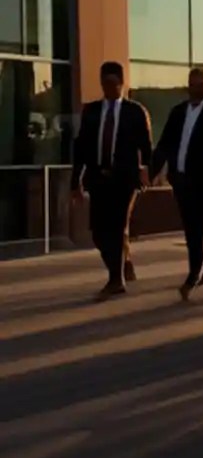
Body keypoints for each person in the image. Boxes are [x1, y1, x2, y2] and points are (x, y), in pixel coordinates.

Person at [71, 62, 153, 300]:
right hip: (98, 178)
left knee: (117, 228)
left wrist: (148, 171)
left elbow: (146, 146)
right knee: (98, 232)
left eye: (113, 83)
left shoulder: (134, 112)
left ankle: (116, 280)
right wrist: (75, 181)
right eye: (104, 83)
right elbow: (81, 147)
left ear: (121, 83)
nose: (108, 88)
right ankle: (122, 264)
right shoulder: (92, 111)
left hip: (124, 180)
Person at [148, 68, 203, 301]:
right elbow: (164, 144)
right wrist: (151, 172)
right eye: (194, 84)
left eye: (202, 84)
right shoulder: (178, 112)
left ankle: (194, 274)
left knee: (196, 230)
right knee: (192, 228)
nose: (198, 88)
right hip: (181, 180)